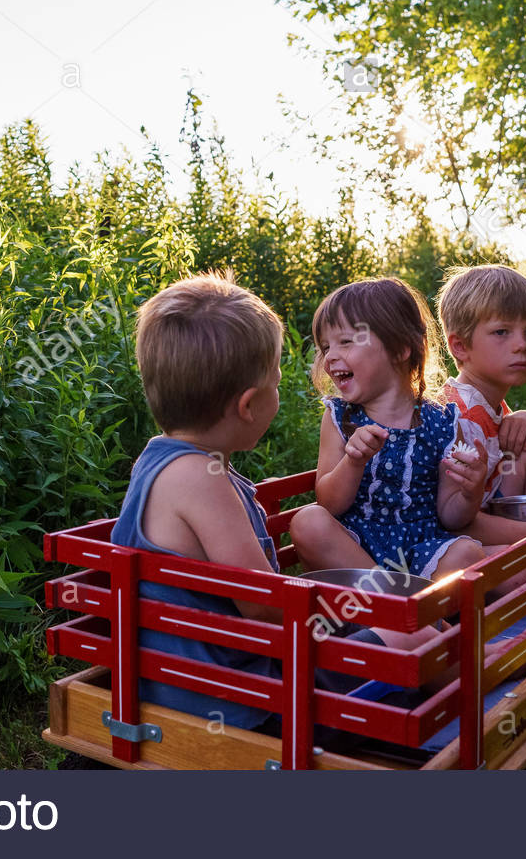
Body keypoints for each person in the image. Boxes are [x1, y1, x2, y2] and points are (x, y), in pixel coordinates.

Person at [112, 272, 433, 732]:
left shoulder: (160, 460)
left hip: (182, 679)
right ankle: (468, 693)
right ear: (248, 406)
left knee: (389, 629)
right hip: (243, 698)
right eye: (277, 383)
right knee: (413, 636)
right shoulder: (204, 481)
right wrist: (344, 604)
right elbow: (263, 605)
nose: (279, 392)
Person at [287, 277, 526, 592]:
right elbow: (329, 502)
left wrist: (469, 492)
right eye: (326, 346)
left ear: (401, 349)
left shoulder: (442, 420)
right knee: (308, 521)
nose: (330, 356)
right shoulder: (340, 417)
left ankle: (396, 609)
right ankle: (406, 610)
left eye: (346, 342)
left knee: (469, 553)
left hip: (422, 551)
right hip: (357, 550)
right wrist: (353, 460)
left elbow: (450, 516)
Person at [436, 265, 526, 548]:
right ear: (460, 346)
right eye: (502, 332)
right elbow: (448, 520)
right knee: (519, 577)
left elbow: (507, 437)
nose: (521, 344)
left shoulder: (482, 401)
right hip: (448, 536)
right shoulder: (455, 415)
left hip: (485, 513)